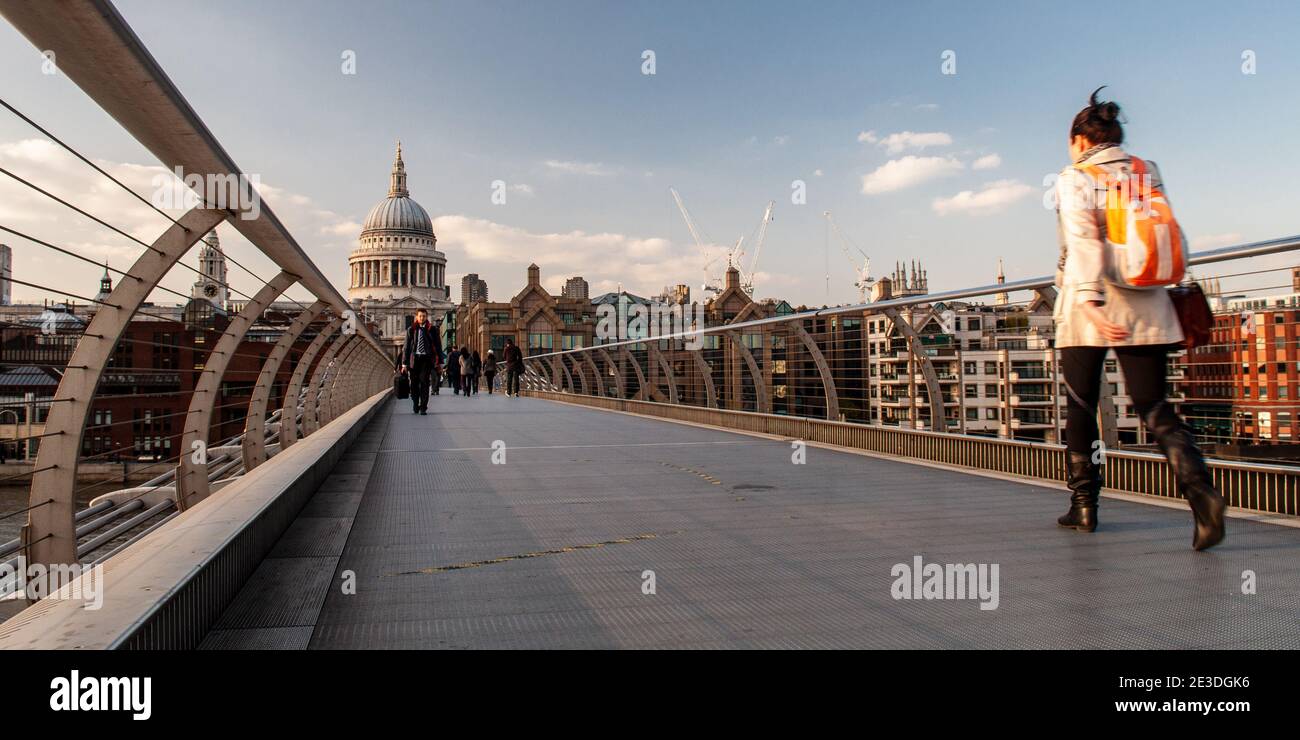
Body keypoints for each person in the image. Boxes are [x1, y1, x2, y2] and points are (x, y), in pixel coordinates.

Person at [1053, 87, 1225, 550]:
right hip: (1148, 299)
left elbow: (1085, 241)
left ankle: (1083, 506)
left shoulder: (1075, 177)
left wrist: (1089, 299)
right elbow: (1169, 235)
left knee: (1081, 405)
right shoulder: (1146, 171)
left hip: (1091, 304)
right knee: (1154, 407)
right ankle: (1201, 494)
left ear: (1080, 141)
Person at [400, 308, 442, 415]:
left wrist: (440, 362)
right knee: (414, 384)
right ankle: (415, 403)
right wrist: (404, 364)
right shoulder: (411, 329)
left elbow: (438, 346)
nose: (422, 318)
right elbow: (406, 348)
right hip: (414, 360)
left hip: (426, 360)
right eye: (420, 316)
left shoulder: (432, 329)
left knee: (424, 383)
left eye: (424, 316)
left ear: (426, 317)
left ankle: (423, 407)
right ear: (416, 317)